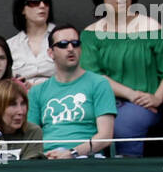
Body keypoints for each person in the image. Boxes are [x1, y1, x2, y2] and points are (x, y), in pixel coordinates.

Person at [82, 0, 163, 157]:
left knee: (124, 124)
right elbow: (93, 75)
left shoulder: (153, 28)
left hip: (146, 105)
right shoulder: (90, 34)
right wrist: (131, 94)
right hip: (104, 103)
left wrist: (157, 97)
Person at [27, 25, 116, 159]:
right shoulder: (37, 91)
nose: (70, 49)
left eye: (75, 44)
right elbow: (30, 138)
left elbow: (105, 136)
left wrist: (73, 153)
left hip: (86, 159)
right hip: (47, 160)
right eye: (63, 44)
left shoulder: (99, 84)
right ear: (50, 53)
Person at [6, 0, 57, 87]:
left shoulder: (63, 38)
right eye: (34, 2)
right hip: (22, 100)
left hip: (58, 97)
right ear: (22, 9)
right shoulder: (10, 45)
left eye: (46, 2)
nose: (42, 6)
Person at [0, 79, 44, 160]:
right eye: (13, 105)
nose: (20, 111)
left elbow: (30, 170)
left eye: (23, 104)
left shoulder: (33, 132)